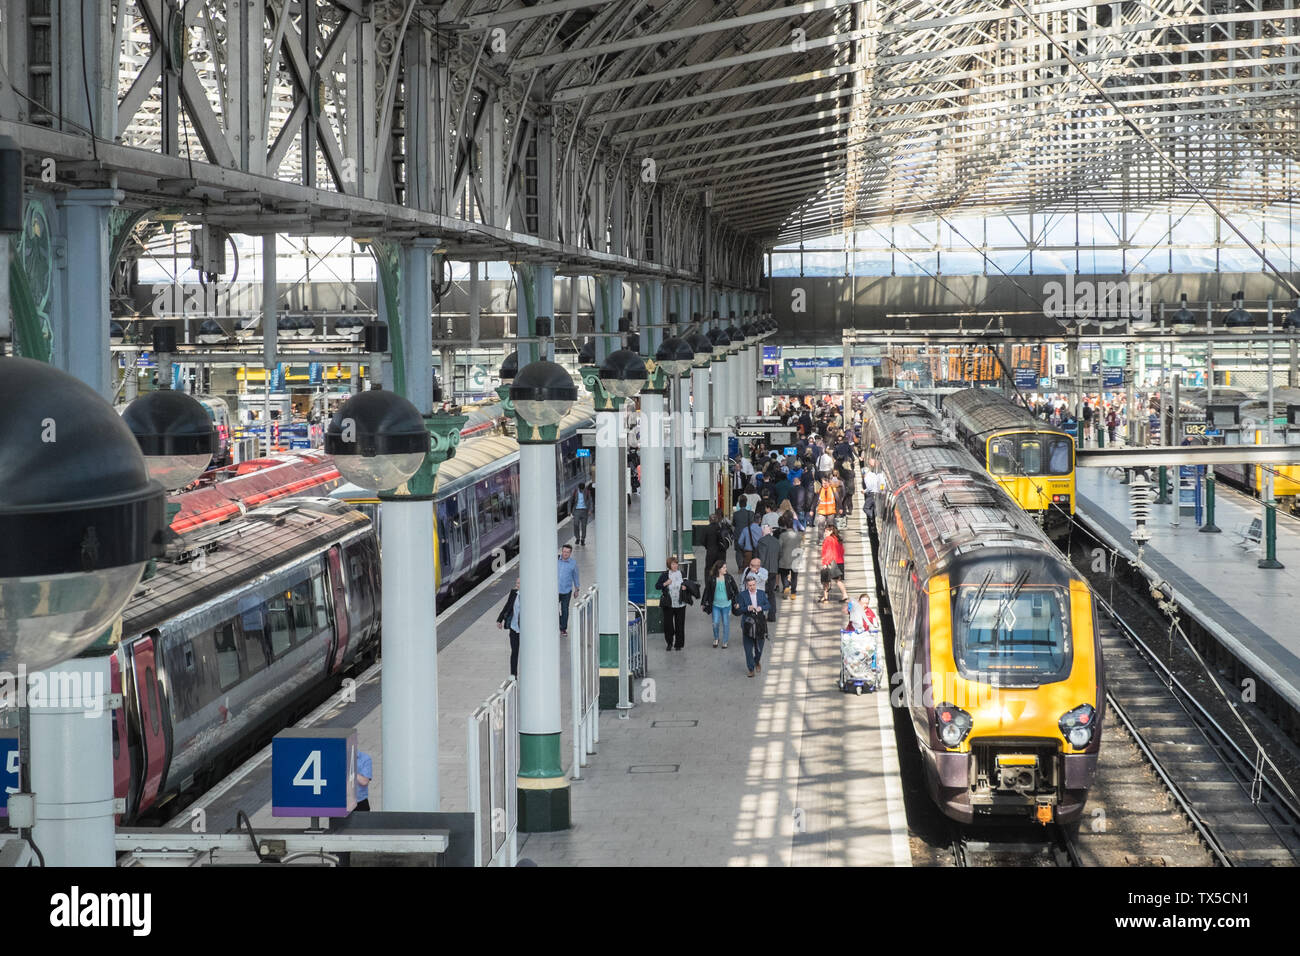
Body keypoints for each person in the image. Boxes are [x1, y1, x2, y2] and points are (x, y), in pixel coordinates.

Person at [735, 576, 770, 678]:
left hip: (759, 624)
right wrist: (748, 608)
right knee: (748, 648)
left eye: (754, 585)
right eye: (750, 585)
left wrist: (760, 608)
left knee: (759, 648)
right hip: (748, 624)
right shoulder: (742, 595)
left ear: (756, 584)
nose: (752, 587)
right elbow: (738, 610)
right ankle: (751, 669)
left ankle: (757, 661)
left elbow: (768, 605)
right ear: (746, 585)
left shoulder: (761, 593)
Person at [656, 557, 689, 651]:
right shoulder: (665, 574)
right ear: (669, 565)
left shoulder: (682, 573)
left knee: (680, 625)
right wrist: (665, 583)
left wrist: (685, 587)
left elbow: (688, 584)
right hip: (668, 604)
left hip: (680, 603)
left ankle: (679, 644)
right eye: (673, 564)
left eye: (676, 564)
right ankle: (669, 643)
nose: (675, 566)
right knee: (668, 625)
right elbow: (657, 586)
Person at [706, 560, 739, 648]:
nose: (726, 569)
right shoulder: (712, 578)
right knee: (715, 623)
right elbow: (707, 591)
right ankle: (716, 638)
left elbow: (735, 590)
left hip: (727, 605)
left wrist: (736, 602)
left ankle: (725, 641)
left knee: (726, 623)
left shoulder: (729, 578)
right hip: (715, 605)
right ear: (718, 569)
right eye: (723, 567)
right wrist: (703, 603)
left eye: (725, 567)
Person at [756, 524, 783, 623]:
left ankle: (760, 614)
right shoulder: (776, 542)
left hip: (764, 570)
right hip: (773, 570)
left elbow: (760, 558)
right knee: (771, 593)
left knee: (761, 592)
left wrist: (758, 570)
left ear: (763, 532)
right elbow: (780, 555)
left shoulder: (761, 542)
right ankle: (772, 615)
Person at [496, 577, 521, 676]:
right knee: (514, 652)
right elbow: (507, 606)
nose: (517, 585)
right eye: (517, 583)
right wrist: (500, 619)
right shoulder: (513, 593)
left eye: (519, 583)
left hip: (526, 631)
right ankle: (513, 675)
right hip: (514, 628)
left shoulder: (530, 596)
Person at [820, 525, 848, 604]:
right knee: (838, 580)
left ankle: (825, 598)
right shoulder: (838, 539)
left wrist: (825, 562)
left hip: (832, 562)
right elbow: (842, 551)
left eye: (826, 531)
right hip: (840, 562)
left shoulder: (828, 539)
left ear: (831, 531)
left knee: (825, 580)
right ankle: (845, 595)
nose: (825, 533)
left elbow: (828, 552)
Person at [557, 544, 580, 635]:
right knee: (553, 609)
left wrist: (577, 589)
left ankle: (563, 628)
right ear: (562, 551)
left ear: (570, 553)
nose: (565, 554)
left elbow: (576, 576)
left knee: (565, 609)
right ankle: (558, 622)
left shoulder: (573, 563)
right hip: (555, 591)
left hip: (566, 590)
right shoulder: (555, 561)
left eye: (567, 552)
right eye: (564, 551)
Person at [778, 513, 802, 597]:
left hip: (784, 558)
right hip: (795, 559)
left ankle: (786, 586)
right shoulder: (798, 536)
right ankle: (793, 593)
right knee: (794, 576)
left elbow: (779, 547)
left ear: (785, 526)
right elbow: (799, 547)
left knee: (784, 574)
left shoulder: (783, 535)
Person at [702, 509, 729, 574]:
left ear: (709, 520)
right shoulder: (723, 527)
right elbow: (727, 539)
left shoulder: (706, 528)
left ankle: (709, 583)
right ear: (716, 519)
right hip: (721, 552)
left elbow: (702, 541)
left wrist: (707, 546)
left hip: (711, 552)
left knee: (708, 569)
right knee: (721, 569)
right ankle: (721, 582)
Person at [861, 457, 885, 527]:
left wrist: (864, 491)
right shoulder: (874, 474)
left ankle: (873, 517)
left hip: (872, 494)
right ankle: (874, 519)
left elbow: (870, 487)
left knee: (865, 508)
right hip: (878, 493)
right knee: (874, 507)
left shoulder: (866, 477)